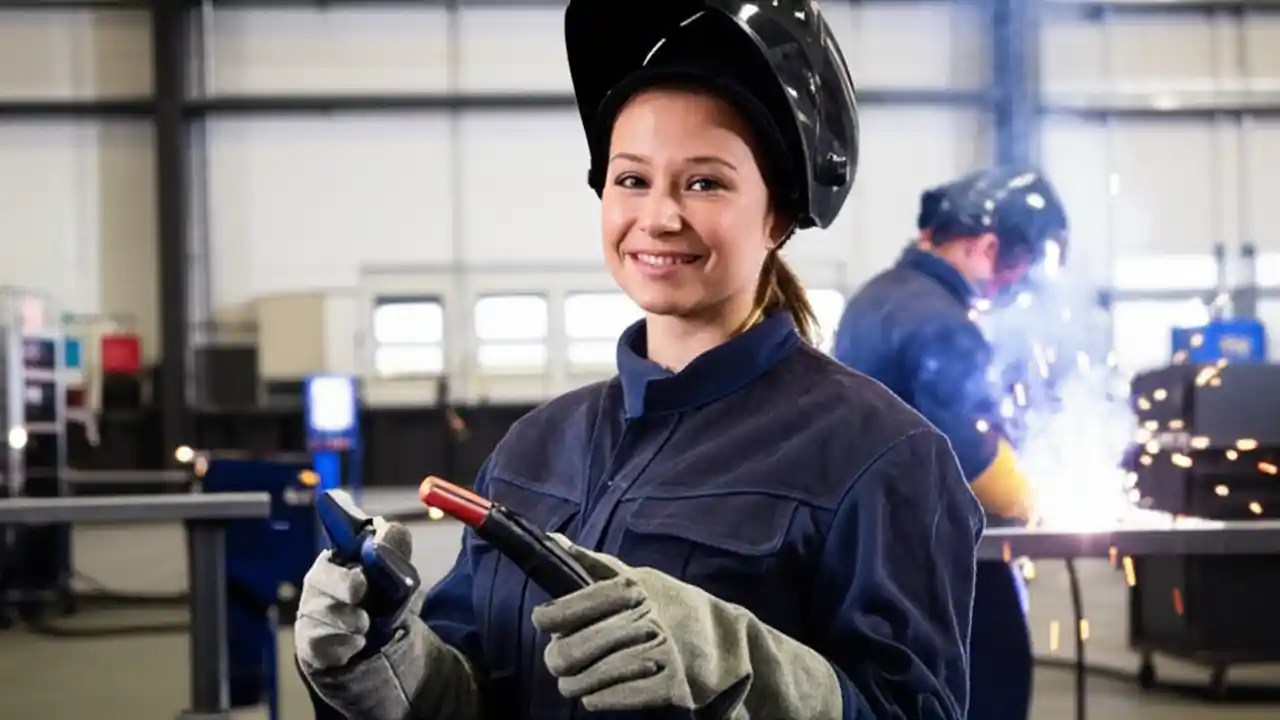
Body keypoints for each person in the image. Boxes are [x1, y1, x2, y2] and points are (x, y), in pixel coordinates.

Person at [294, 2, 984, 718]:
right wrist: (384, 660)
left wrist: (739, 663)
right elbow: (476, 689)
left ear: (778, 214)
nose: (658, 216)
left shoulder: (881, 461)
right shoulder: (535, 448)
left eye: (705, 182)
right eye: (632, 180)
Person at [832, 167, 1070, 720]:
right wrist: (1036, 504)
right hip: (941, 565)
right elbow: (972, 449)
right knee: (995, 679)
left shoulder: (876, 297)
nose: (1007, 289)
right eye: (1013, 274)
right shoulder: (941, 320)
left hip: (873, 560)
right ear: (987, 247)